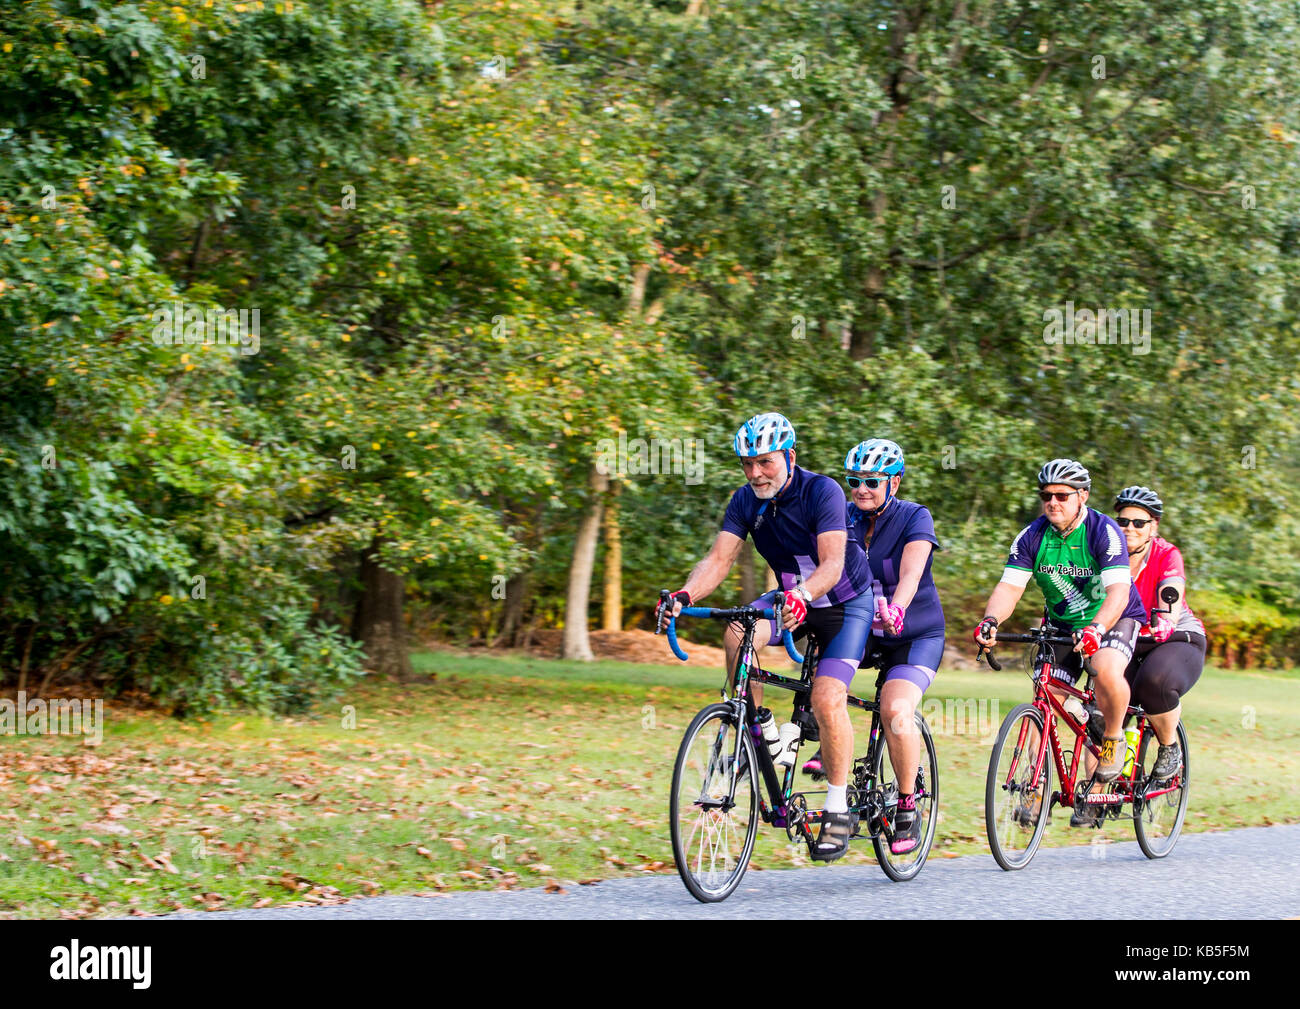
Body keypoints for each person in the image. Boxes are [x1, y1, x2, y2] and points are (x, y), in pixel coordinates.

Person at [655, 412, 874, 862]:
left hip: (844, 604)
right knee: (738, 630)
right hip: (786, 598)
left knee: (828, 698)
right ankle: (758, 730)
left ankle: (836, 807)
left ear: (789, 457)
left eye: (765, 462)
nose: (755, 472)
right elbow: (718, 560)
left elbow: (832, 564)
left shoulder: (822, 491)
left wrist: (803, 595)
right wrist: (684, 594)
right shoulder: (744, 500)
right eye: (747, 463)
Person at [973, 459, 1149, 802]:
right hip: (1063, 625)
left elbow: (1118, 592)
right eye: (1046, 495)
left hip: (1113, 617)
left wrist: (1097, 629)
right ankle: (1032, 789)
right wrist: (991, 620)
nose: (1052, 502)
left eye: (1062, 495)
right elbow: (1009, 588)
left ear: (1082, 496)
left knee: (1108, 672)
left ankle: (1113, 738)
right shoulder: (1032, 536)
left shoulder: (1104, 531)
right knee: (1044, 703)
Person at [801, 439, 944, 855]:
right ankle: (821, 740)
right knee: (823, 677)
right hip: (862, 629)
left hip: (913, 635)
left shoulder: (915, 517)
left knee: (895, 709)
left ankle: (906, 806)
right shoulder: (840, 517)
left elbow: (912, 575)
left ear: (894, 482)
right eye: (854, 481)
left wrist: (897, 608)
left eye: (872, 482)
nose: (861, 489)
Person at [1113, 485, 1205, 779]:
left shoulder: (1166, 554)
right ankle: (1097, 792)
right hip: (1128, 639)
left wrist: (1167, 617)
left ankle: (1169, 747)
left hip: (1175, 637)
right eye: (1123, 521)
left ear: (1153, 526)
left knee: (1153, 682)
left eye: (1139, 523)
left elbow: (1171, 588)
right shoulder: (1106, 554)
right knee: (1103, 706)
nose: (1130, 528)